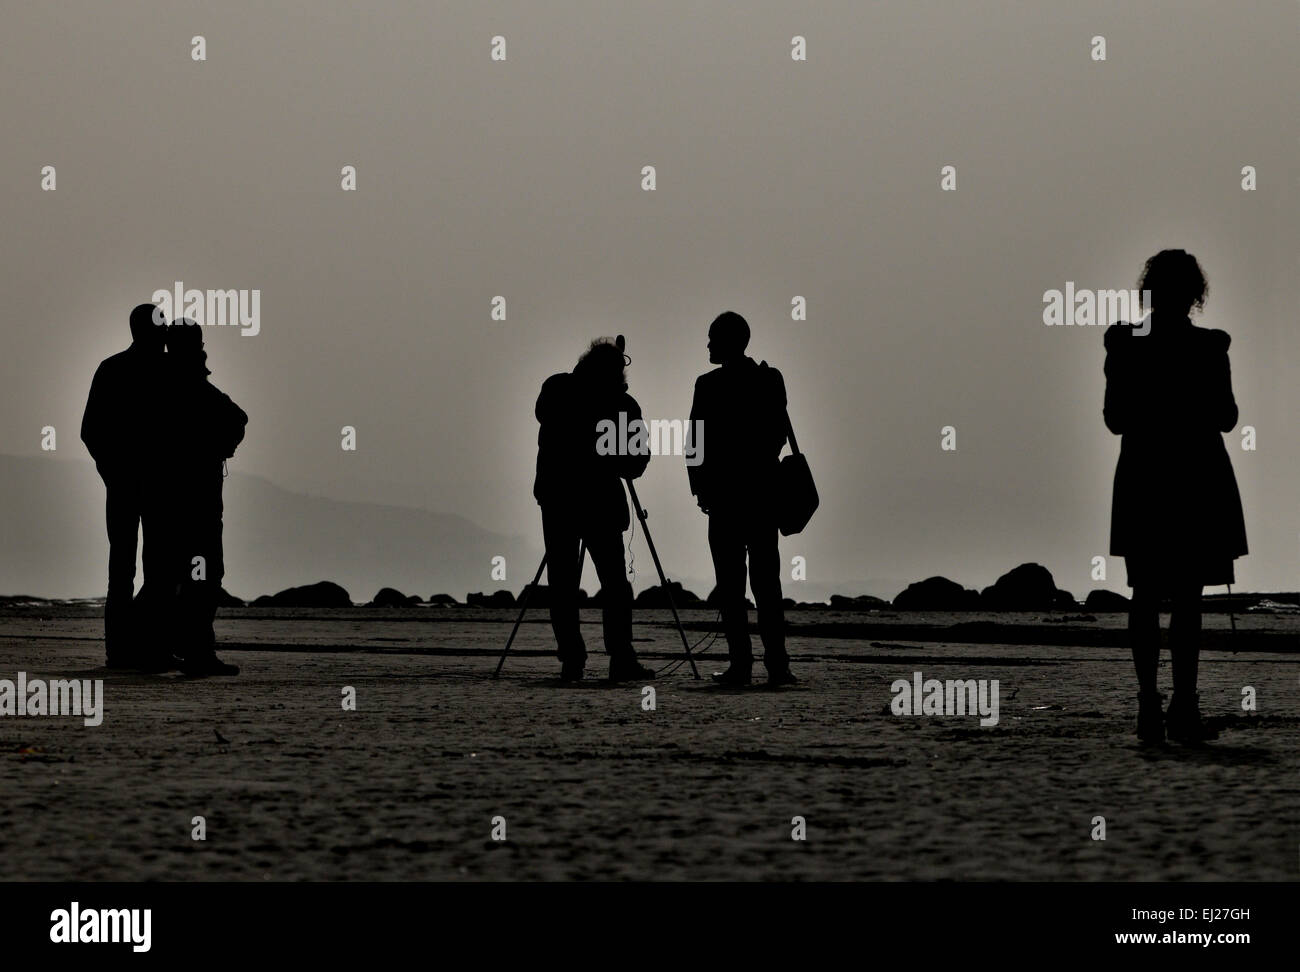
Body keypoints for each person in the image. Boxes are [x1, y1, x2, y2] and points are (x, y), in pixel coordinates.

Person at [1103, 250, 1247, 742]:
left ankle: (1150, 704)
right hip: (1196, 479)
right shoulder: (1209, 347)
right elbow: (1226, 418)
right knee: (1188, 596)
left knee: (1144, 593)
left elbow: (1115, 418)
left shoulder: (1126, 343)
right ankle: (1183, 703)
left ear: (1149, 291)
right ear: (1195, 295)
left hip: (1145, 477)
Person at [533, 338, 654, 682]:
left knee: (564, 581)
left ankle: (573, 658)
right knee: (613, 583)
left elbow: (546, 415)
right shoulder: (620, 404)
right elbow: (636, 463)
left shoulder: (557, 388)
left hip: (559, 499)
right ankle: (620, 656)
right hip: (596, 501)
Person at [688, 311, 795, 686]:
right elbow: (778, 433)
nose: (707, 345)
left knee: (732, 587)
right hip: (762, 493)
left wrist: (701, 489)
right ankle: (778, 667)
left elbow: (695, 445)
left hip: (725, 498)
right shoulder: (769, 379)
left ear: (727, 341)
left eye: (712, 338)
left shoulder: (708, 385)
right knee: (768, 584)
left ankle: (741, 666)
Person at [80, 303, 171, 670]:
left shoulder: (114, 369)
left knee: (125, 570)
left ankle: (125, 649)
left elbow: (91, 432)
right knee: (152, 569)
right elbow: (91, 431)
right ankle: (144, 648)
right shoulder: (167, 373)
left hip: (129, 484)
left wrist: (112, 472)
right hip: (151, 485)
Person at [157, 319, 248, 676]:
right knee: (203, 574)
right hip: (198, 500)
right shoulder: (189, 381)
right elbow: (237, 416)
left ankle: (178, 647)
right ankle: (196, 651)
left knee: (180, 574)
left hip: (168, 497)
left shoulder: (162, 381)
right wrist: (220, 446)